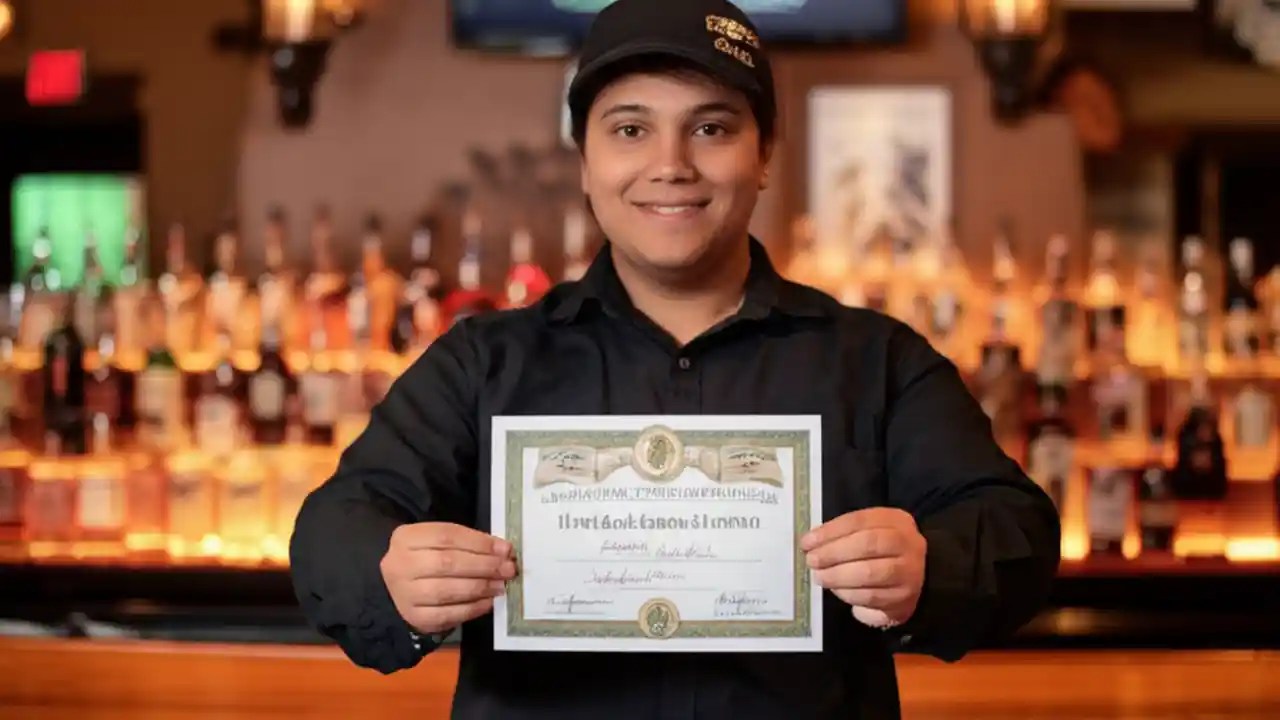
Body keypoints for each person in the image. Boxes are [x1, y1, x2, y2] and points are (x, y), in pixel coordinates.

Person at [288, 0, 1063, 717]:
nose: (671, 164)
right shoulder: (483, 364)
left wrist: (933, 565)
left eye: (711, 128)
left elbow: (1019, 530)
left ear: (762, 156)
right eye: (629, 129)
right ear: (586, 163)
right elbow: (332, 529)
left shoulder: (879, 360)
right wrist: (387, 572)